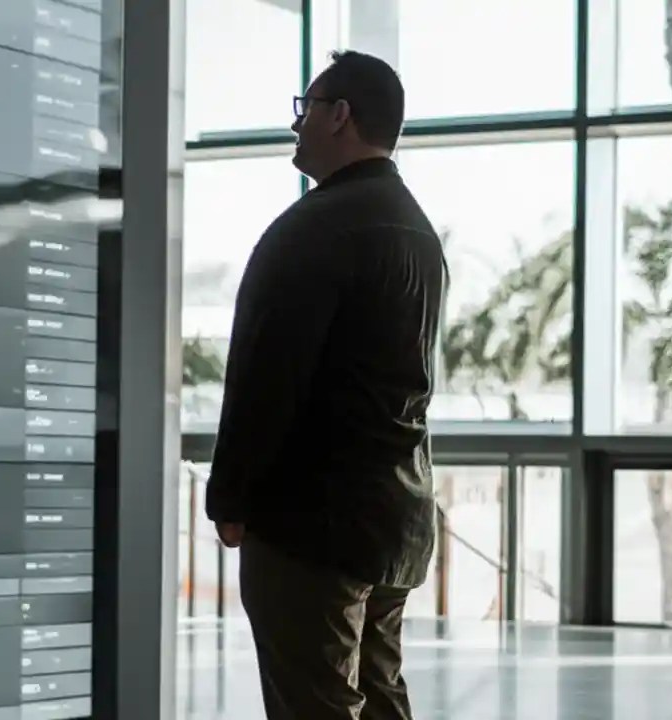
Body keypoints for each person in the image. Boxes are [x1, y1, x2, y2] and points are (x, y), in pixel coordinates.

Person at [205, 49, 446, 720]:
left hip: (312, 525)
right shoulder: (417, 231)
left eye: (304, 110)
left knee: (314, 702)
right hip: (394, 521)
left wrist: (230, 496)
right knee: (380, 697)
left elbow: (266, 377)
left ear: (339, 115)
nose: (296, 126)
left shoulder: (315, 229)